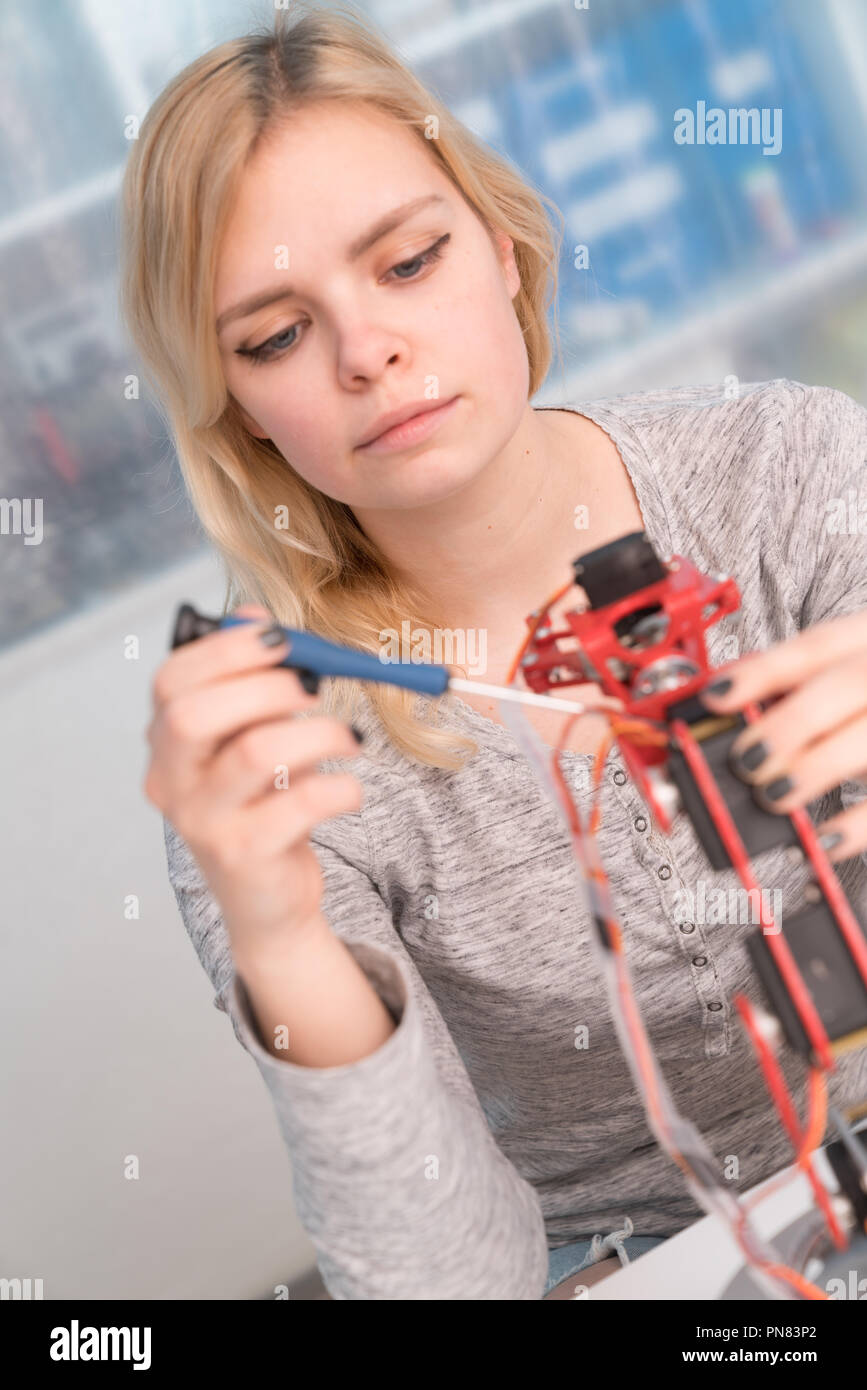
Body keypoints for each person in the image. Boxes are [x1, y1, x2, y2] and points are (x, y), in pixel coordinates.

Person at [121, 3, 867, 1300]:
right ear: (237, 412)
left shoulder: (793, 473)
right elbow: (434, 1284)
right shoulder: (278, 755)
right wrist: (281, 938)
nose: (370, 353)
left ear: (503, 249)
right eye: (278, 335)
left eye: (407, 260)